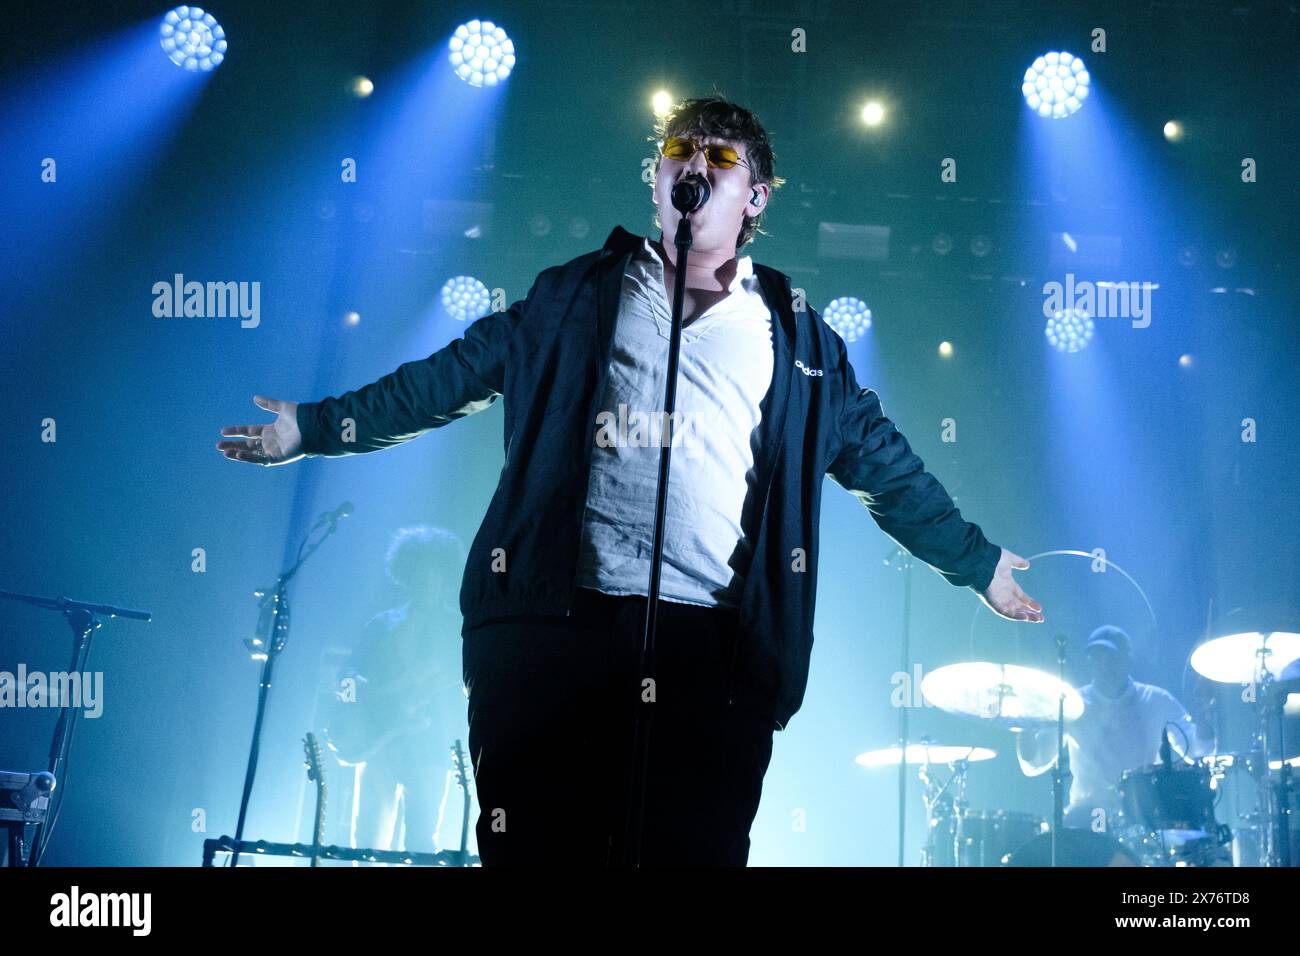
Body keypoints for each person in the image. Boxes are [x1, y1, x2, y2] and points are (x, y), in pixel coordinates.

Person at [218, 96, 1043, 865]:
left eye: (719, 156)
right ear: (658, 180)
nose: (695, 165)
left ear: (754, 198)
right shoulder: (572, 297)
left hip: (712, 651)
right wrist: (314, 427)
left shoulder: (798, 341)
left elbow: (887, 467)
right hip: (558, 629)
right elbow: (451, 377)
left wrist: (977, 563)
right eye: (678, 151)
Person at [324, 526, 471, 856]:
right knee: (366, 839)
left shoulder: (456, 626)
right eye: (422, 572)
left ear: (445, 577)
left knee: (421, 839)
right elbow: (348, 673)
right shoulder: (381, 623)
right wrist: (364, 689)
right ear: (408, 574)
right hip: (379, 738)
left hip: (431, 742)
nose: (428, 580)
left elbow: (467, 677)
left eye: (435, 573)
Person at [1015, 625, 1216, 831]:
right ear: (1089, 663)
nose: (1105, 666)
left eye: (1111, 658)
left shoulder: (1156, 700)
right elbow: (1035, 762)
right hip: (1090, 813)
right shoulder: (1071, 704)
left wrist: (1204, 709)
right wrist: (1022, 722)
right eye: (1097, 659)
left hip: (1144, 813)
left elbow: (1199, 751)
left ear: (1128, 660)